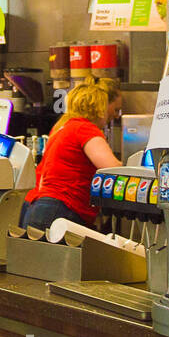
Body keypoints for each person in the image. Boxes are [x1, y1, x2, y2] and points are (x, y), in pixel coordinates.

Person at [20, 75, 123, 233]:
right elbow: (112, 169)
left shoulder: (63, 127)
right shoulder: (85, 128)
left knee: (34, 256)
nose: (112, 115)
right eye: (111, 108)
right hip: (59, 209)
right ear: (98, 107)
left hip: (35, 205)